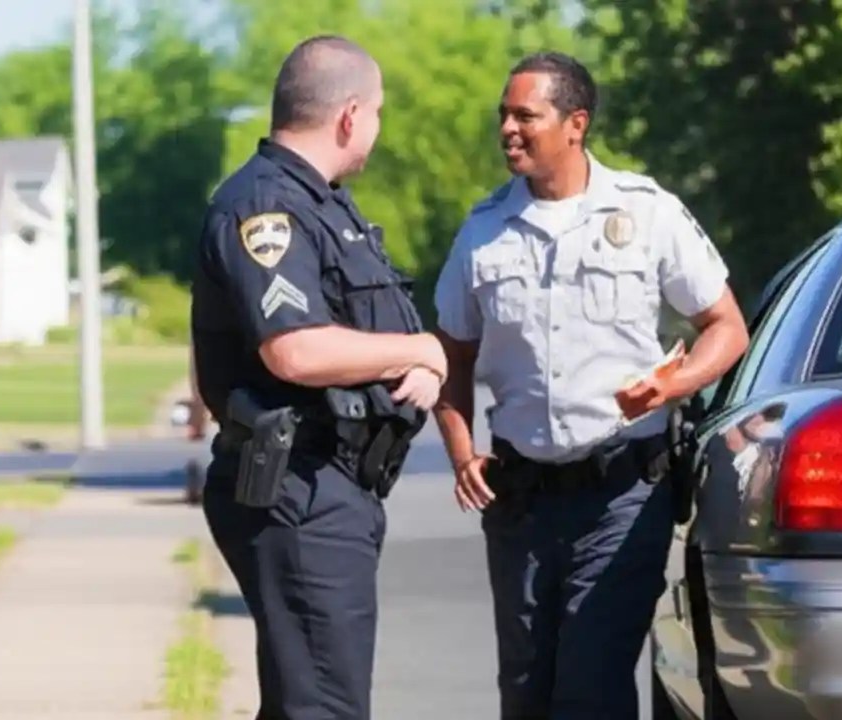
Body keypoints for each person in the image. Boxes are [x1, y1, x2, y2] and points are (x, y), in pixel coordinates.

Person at [432, 51, 750, 719]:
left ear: (575, 124)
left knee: (591, 687)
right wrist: (462, 451)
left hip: (622, 494)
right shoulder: (483, 231)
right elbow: (452, 354)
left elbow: (726, 326)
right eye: (504, 116)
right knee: (526, 693)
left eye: (526, 116)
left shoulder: (646, 213)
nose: (508, 130)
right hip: (520, 499)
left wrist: (673, 387)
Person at [190, 35, 447, 720]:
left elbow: (359, 338)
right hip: (296, 487)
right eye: (379, 113)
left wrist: (409, 365)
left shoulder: (326, 207)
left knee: (306, 700)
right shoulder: (265, 208)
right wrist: (417, 347)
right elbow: (294, 351)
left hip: (332, 485)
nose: (377, 129)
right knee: (323, 707)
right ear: (349, 115)